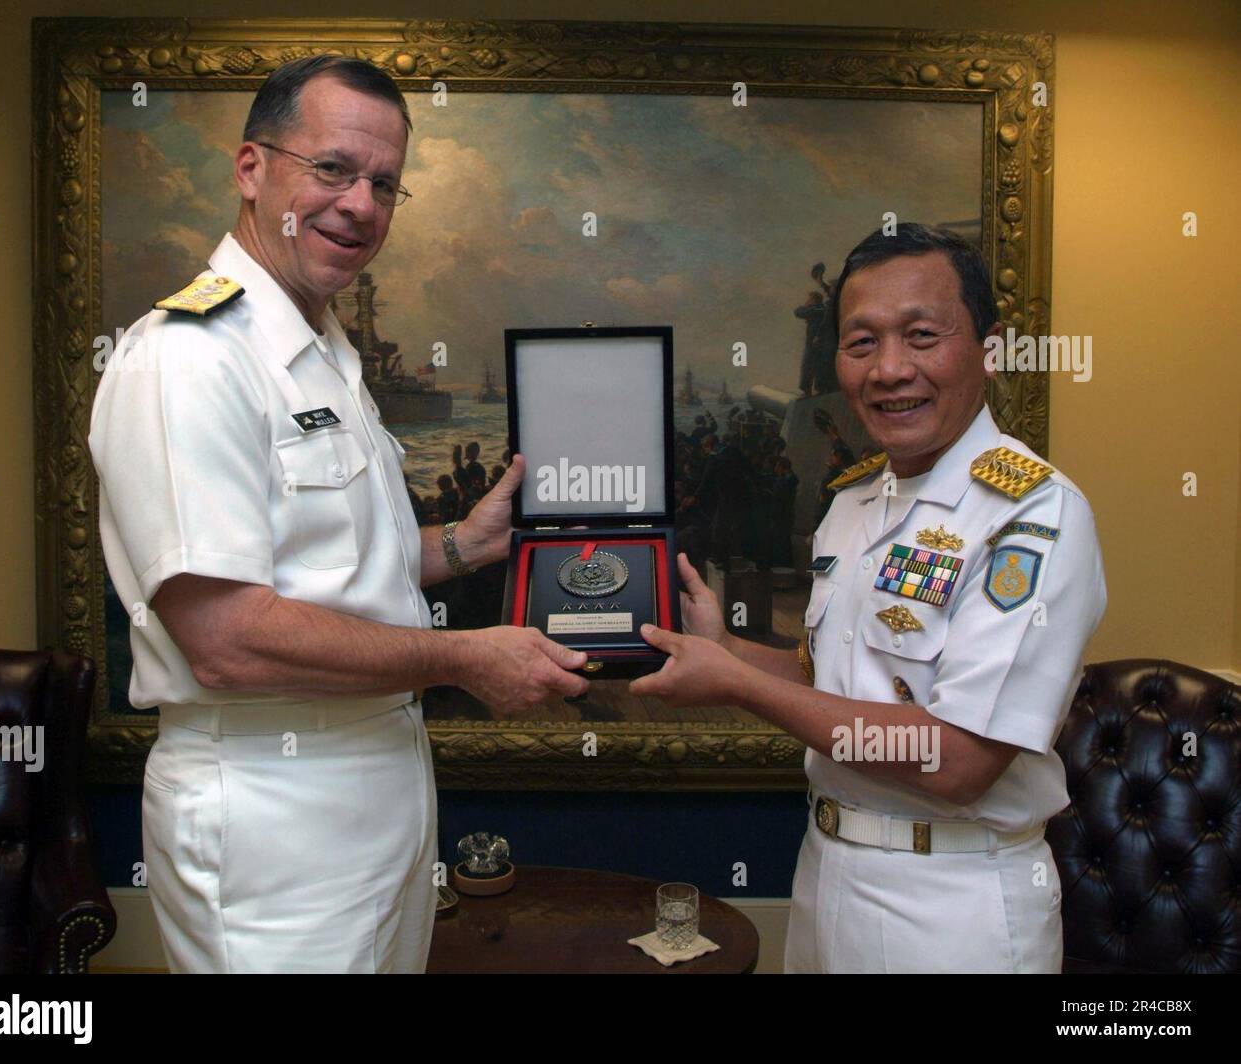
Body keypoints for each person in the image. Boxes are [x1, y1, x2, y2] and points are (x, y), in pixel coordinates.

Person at [88, 55, 588, 974]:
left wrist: (465, 545)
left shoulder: (324, 356)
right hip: (273, 809)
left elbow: (335, 570)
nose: (361, 204)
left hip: (376, 787)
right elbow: (229, 637)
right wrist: (460, 658)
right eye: (332, 170)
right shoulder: (192, 358)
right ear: (251, 169)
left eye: (385, 184)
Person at [631, 223, 1105, 973]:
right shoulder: (854, 501)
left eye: (922, 336)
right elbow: (835, 679)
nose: (889, 370)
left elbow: (955, 759)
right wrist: (727, 649)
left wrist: (738, 687)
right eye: (861, 344)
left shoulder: (1033, 514)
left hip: (952, 905)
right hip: (826, 873)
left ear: (987, 346)